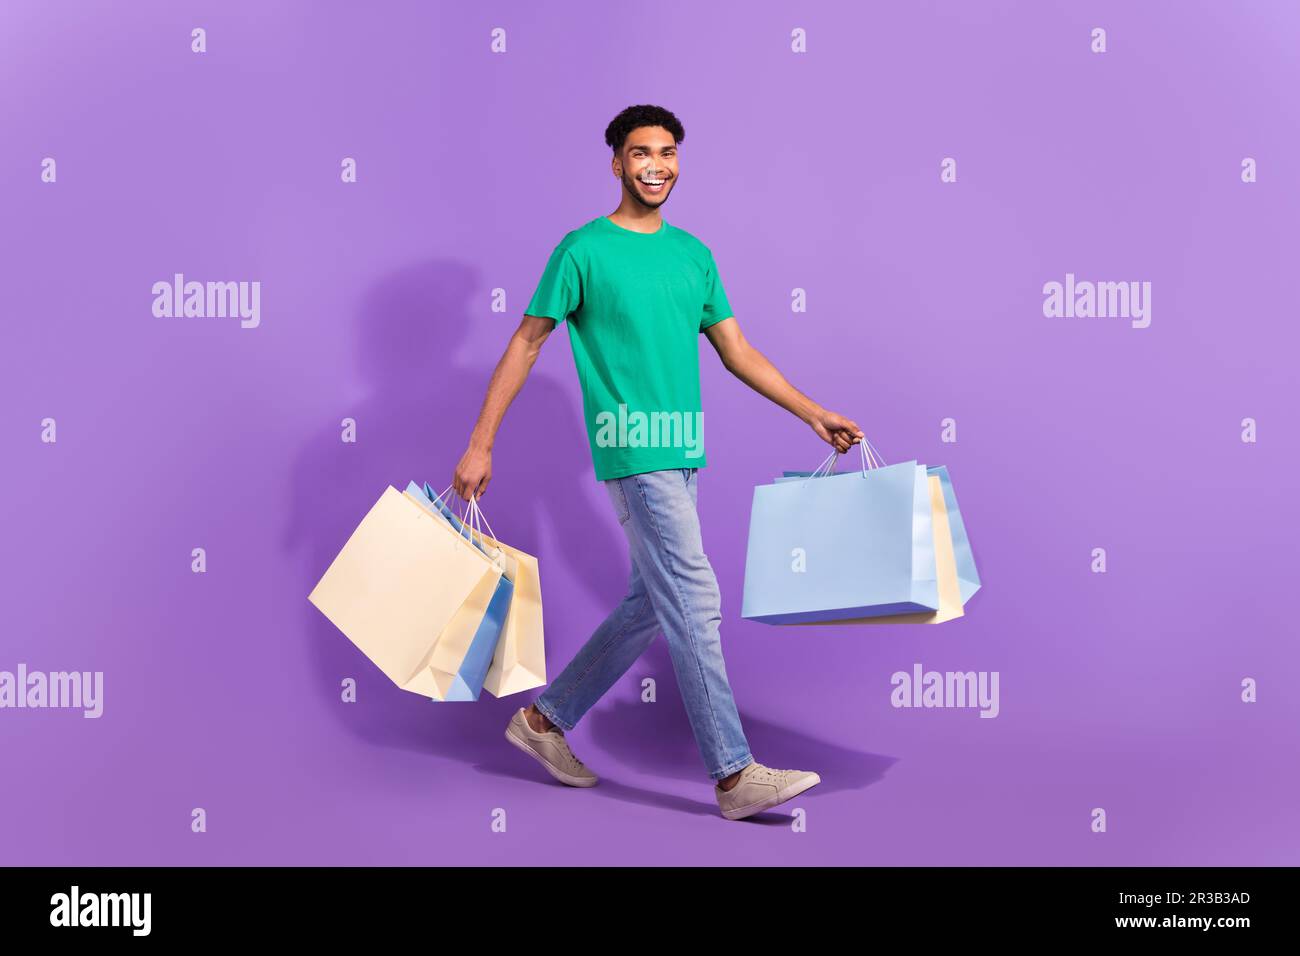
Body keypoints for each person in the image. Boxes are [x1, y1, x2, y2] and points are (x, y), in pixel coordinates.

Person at [453, 104, 863, 821]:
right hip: (633, 450)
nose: (656, 166)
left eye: (667, 153)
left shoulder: (694, 255)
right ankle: (734, 777)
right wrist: (481, 440)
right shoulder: (583, 250)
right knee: (696, 599)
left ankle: (544, 722)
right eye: (641, 153)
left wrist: (812, 410)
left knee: (652, 602)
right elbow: (526, 341)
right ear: (616, 162)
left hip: (683, 452)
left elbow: (737, 352)